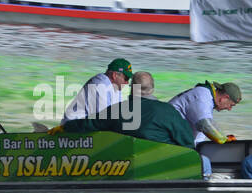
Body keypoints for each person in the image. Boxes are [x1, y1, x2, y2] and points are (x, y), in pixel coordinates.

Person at [62, 71, 208, 175]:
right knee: (204, 161)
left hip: (122, 169)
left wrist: (62, 128)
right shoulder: (168, 112)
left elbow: (86, 124)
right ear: (152, 90)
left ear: (132, 90)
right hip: (160, 170)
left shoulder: (116, 110)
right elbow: (188, 144)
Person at [169, 80, 240, 146]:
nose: (229, 109)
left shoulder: (206, 96)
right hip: (170, 140)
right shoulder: (203, 98)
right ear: (225, 98)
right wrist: (226, 140)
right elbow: (206, 125)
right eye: (231, 105)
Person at [62, 58, 132, 124]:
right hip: (71, 128)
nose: (127, 82)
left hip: (87, 126)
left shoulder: (116, 87)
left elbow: (116, 115)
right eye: (126, 78)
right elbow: (102, 120)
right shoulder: (99, 85)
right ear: (114, 75)